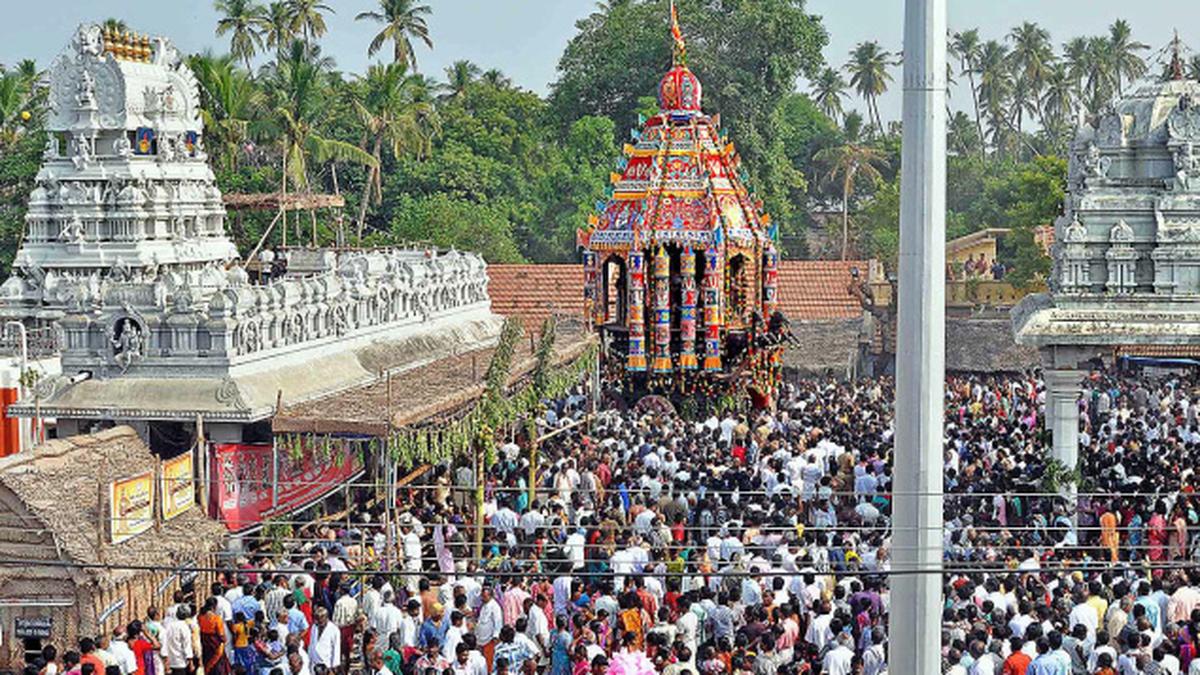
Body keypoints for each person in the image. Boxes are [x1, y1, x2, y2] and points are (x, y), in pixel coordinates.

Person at [161, 606, 195, 675]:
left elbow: (164, 642)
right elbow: (187, 646)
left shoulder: (169, 626)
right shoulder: (184, 627)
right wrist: (191, 662)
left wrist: (165, 658)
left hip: (170, 661)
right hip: (180, 662)